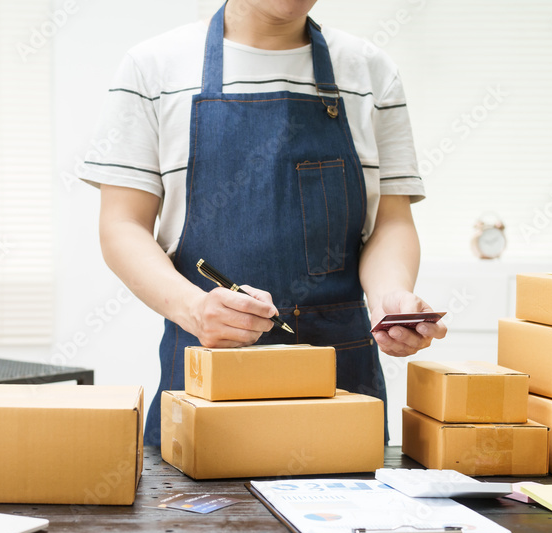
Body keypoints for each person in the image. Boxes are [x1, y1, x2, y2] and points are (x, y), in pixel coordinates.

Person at [79, 0, 446, 446]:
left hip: (341, 384)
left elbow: (391, 222)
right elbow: (122, 226)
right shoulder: (154, 68)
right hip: (207, 374)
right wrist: (195, 310)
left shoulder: (370, 71)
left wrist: (390, 298)